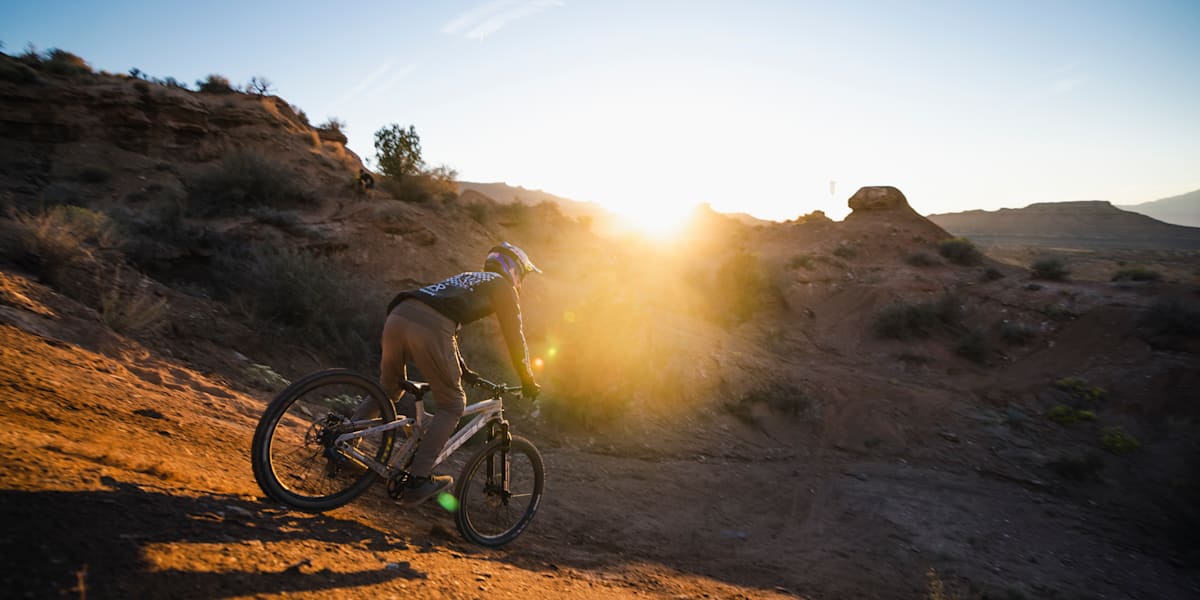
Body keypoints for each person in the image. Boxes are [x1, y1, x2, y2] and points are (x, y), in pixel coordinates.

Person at [381, 242, 541, 504]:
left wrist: (464, 370)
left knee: (388, 390)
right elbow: (515, 337)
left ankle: (342, 445)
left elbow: (445, 322)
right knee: (453, 404)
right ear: (514, 269)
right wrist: (527, 379)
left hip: (399, 313)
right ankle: (418, 480)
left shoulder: (470, 278)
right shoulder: (503, 287)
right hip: (430, 327)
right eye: (522, 274)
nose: (521, 280)